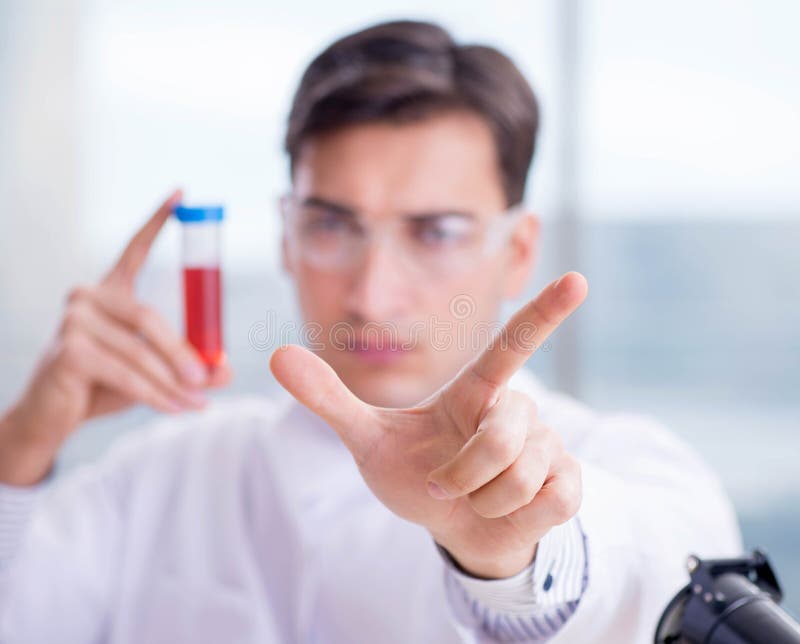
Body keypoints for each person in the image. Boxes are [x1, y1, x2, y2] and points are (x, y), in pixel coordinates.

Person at [0, 20, 741, 643]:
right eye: (332, 225)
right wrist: (20, 447)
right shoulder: (162, 476)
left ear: (518, 253)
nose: (372, 294)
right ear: (286, 236)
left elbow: (653, 583)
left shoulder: (637, 469)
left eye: (436, 232)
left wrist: (512, 558)